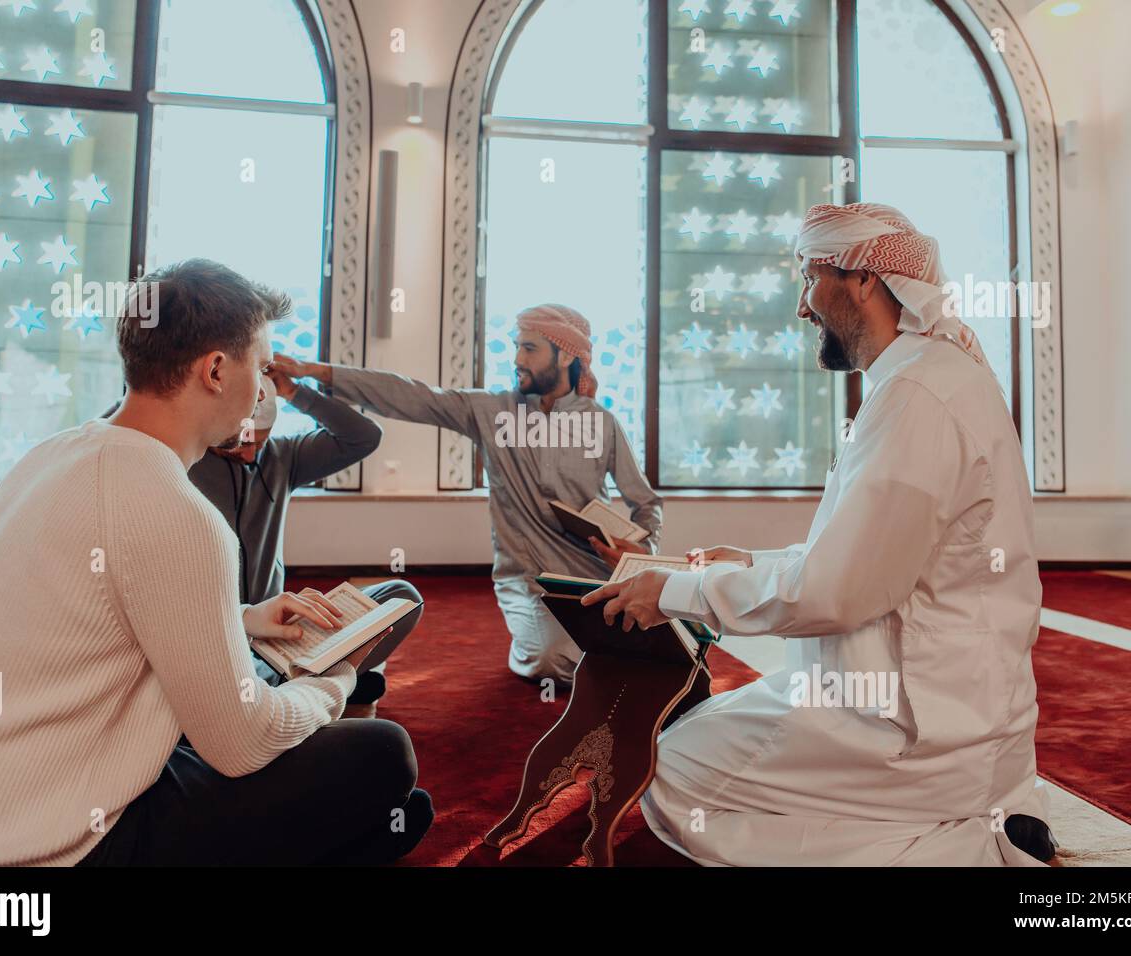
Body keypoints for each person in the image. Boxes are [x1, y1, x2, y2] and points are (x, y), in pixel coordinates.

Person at [0, 259, 431, 866]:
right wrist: (333, 682)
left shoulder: (50, 455)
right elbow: (242, 743)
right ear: (214, 370)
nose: (262, 391)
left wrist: (244, 618)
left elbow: (102, 610)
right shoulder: (177, 511)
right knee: (385, 756)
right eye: (260, 368)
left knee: (399, 818)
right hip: (41, 851)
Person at [583, 203, 1055, 866]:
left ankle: (975, 848)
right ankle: (976, 820)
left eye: (809, 278)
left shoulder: (916, 395)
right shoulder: (924, 378)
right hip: (923, 696)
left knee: (667, 776)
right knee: (693, 736)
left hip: (914, 724)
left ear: (863, 278)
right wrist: (745, 560)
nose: (802, 306)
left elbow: (837, 591)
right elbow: (870, 559)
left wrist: (676, 591)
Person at [271, 304, 662, 686]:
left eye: (529, 348)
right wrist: (310, 372)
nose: (517, 359)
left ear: (565, 356)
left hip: (596, 575)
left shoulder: (602, 423)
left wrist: (643, 552)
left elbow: (645, 503)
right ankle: (538, 640)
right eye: (516, 346)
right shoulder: (490, 411)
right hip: (531, 582)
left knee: (669, 637)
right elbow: (409, 395)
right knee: (553, 663)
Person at [109, 286, 425, 719]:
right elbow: (134, 418)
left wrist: (296, 389)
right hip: (216, 633)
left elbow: (363, 437)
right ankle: (327, 688)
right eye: (240, 442)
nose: (250, 454)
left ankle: (322, 680)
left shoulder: (283, 458)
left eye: (260, 441)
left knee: (398, 596)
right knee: (374, 734)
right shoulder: (180, 457)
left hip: (277, 627)